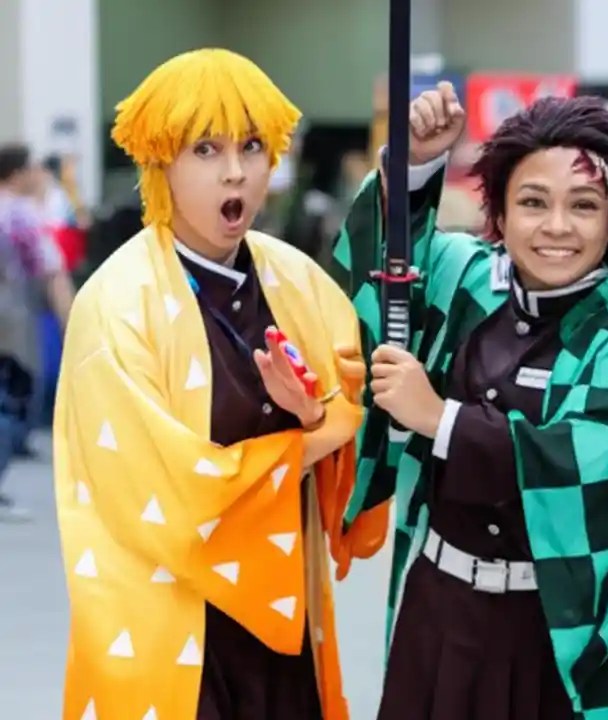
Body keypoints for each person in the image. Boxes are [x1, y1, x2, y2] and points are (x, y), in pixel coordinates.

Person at [52, 49, 380, 720]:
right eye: (205, 149)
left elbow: (357, 412)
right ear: (160, 162)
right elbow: (160, 491)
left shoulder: (299, 281)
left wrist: (320, 418)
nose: (236, 171)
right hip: (168, 619)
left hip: (281, 620)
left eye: (253, 146)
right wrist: (309, 440)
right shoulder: (116, 303)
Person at [330, 82, 608, 719]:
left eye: (584, 205)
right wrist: (416, 165)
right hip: (437, 606)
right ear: (501, 213)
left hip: (553, 633)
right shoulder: (467, 278)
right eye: (533, 202)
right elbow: (381, 270)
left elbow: (585, 462)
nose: (557, 227)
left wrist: (439, 417)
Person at [0, 143, 74, 518]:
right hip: (12, 320)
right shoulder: (21, 215)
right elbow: (51, 271)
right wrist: (71, 320)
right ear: (16, 173)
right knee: (14, 399)